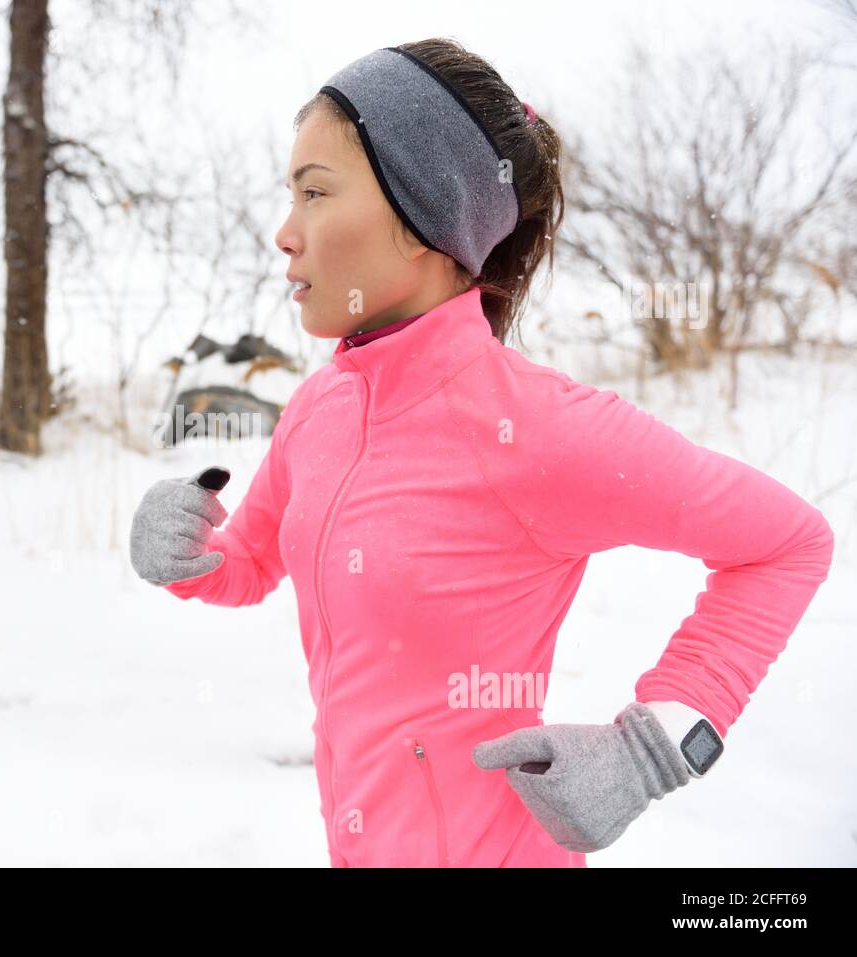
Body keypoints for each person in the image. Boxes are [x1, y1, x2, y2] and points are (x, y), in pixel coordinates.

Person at [128, 38, 835, 867]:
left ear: (425, 214)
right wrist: (188, 556)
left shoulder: (540, 428)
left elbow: (788, 543)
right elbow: (249, 558)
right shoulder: (322, 405)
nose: (286, 233)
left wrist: (655, 746)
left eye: (315, 193)